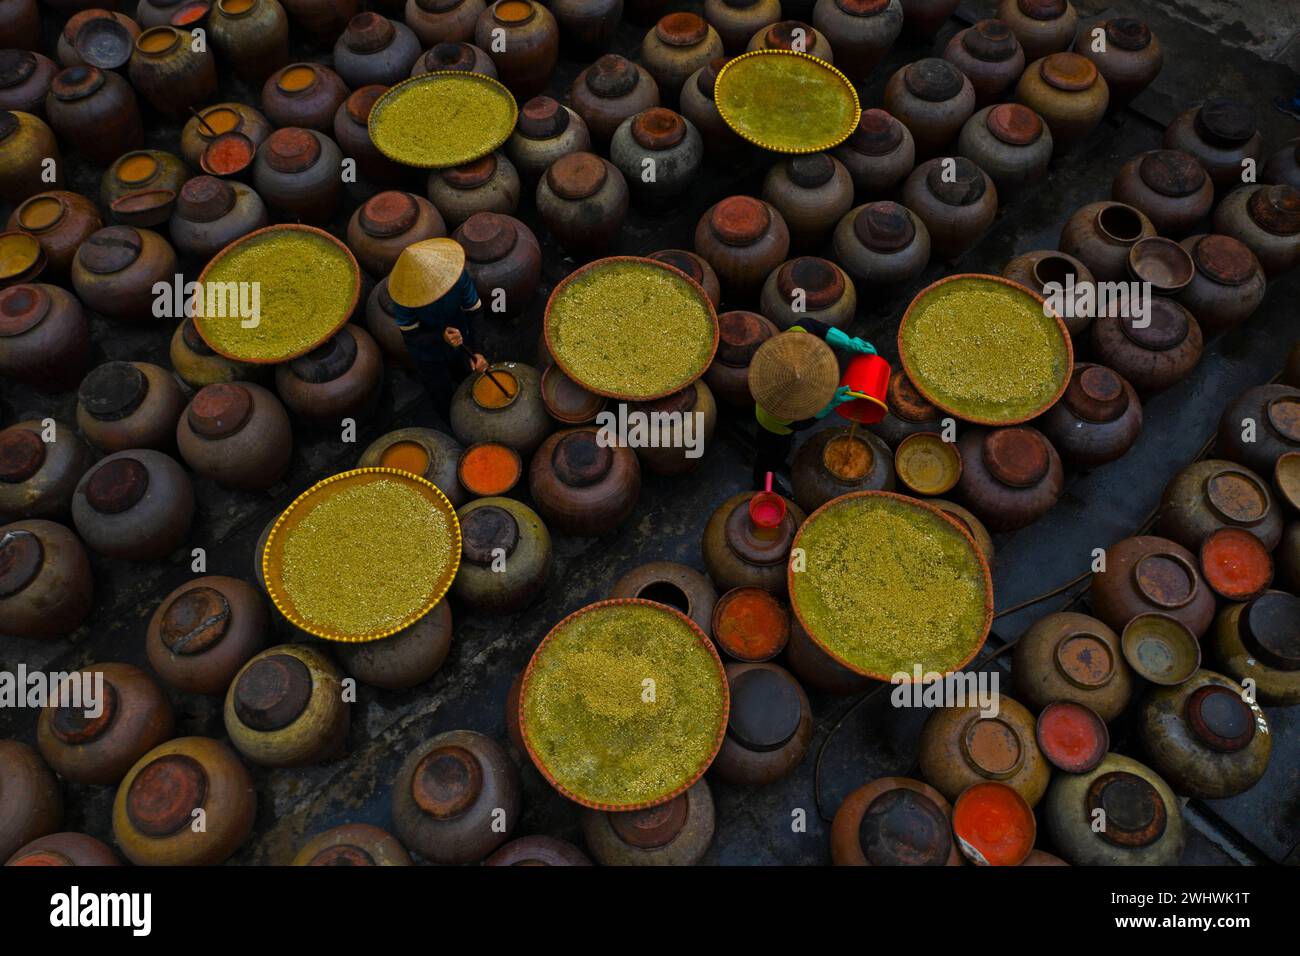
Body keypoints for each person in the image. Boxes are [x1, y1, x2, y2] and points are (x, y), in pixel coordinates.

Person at [751, 319, 878, 491]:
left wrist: (847, 342)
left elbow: (810, 324)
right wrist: (831, 403)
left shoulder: (791, 341)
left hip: (774, 412)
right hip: (773, 427)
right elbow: (801, 424)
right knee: (773, 453)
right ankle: (763, 480)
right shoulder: (780, 408)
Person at [387, 238, 488, 422]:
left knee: (467, 376)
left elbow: (475, 312)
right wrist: (440, 337)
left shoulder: (458, 277)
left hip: (460, 340)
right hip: (428, 354)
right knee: (441, 393)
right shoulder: (404, 298)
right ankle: (452, 424)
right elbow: (412, 337)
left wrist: (478, 351)